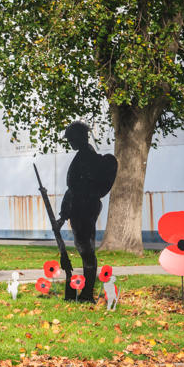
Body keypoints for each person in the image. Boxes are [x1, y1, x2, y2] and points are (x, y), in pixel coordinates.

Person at [56, 121, 116, 303]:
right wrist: (63, 215)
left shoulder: (86, 158)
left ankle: (88, 293)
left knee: (86, 249)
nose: (70, 142)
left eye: (71, 139)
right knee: (85, 248)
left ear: (80, 137)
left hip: (83, 207)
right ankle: (86, 291)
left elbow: (74, 189)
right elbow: (73, 189)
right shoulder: (85, 156)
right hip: (81, 206)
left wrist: (64, 214)